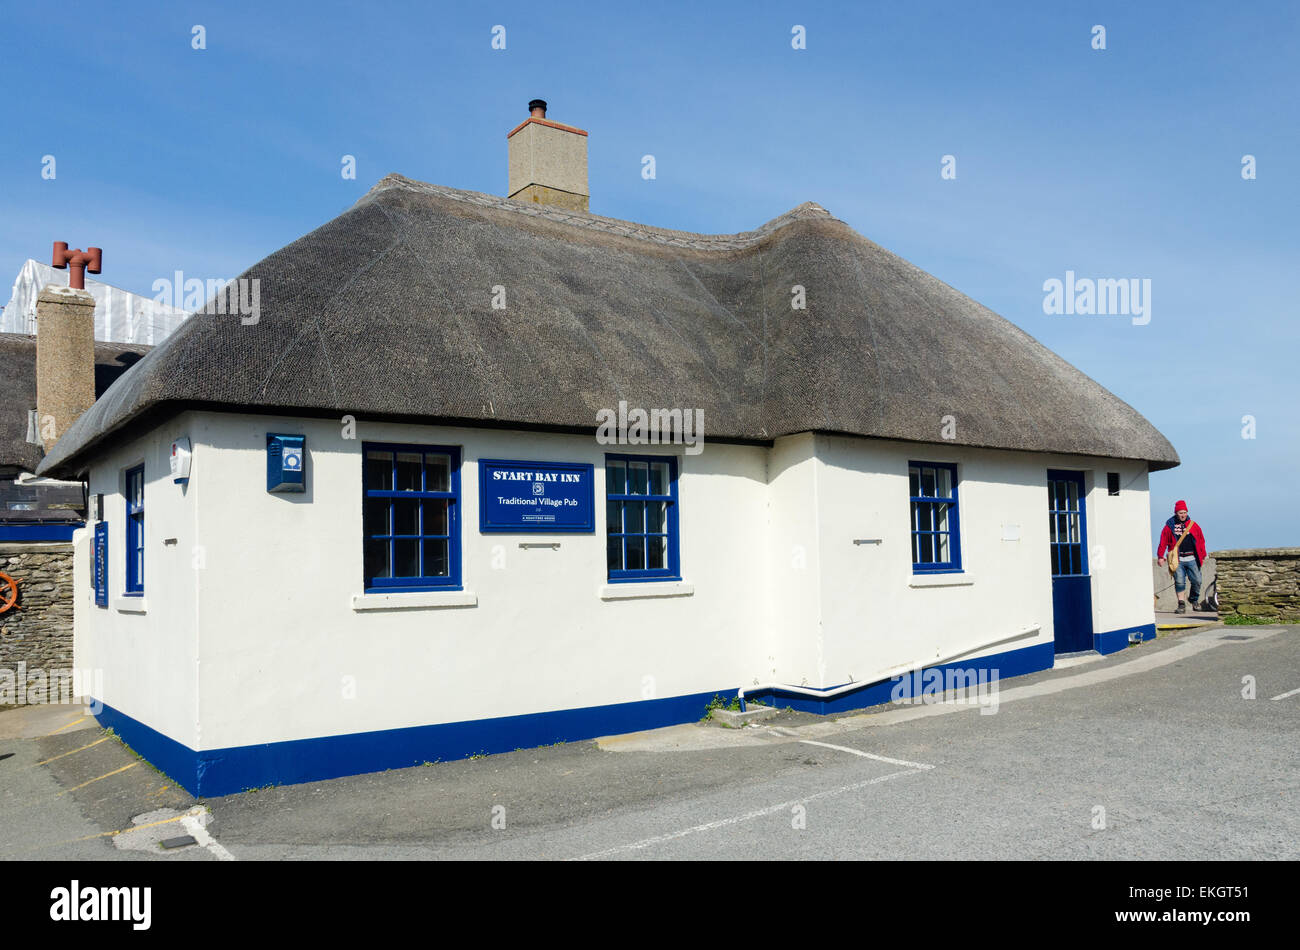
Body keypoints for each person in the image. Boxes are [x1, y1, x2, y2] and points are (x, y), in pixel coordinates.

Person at [1156, 500, 1208, 614]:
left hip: (1192, 558)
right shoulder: (1169, 526)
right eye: (1180, 513)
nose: (1183, 515)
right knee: (1179, 582)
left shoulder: (1193, 525)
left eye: (1184, 512)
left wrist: (1203, 555)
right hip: (1177, 560)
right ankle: (1181, 604)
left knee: (1197, 581)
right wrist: (1160, 556)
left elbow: (1201, 540)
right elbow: (1163, 541)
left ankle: (1194, 600)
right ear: (1176, 513)